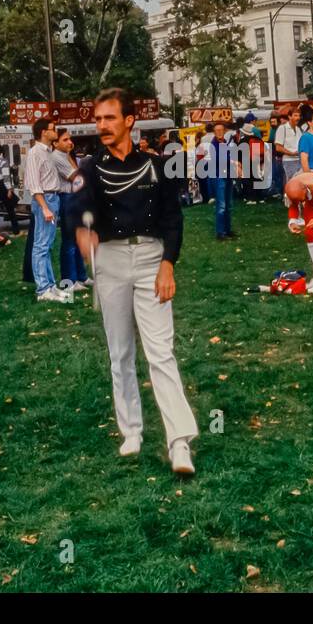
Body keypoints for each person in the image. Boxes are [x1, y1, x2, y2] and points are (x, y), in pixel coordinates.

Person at [73, 88, 199, 475]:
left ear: (129, 121)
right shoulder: (89, 169)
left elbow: (173, 220)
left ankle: (180, 441)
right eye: (98, 120)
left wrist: (168, 265)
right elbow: (80, 212)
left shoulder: (157, 166)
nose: (102, 126)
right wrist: (83, 233)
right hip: (110, 261)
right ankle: (131, 430)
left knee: (160, 351)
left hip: (150, 259)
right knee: (120, 352)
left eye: (109, 118)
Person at [23, 118, 70, 302]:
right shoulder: (35, 153)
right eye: (53, 129)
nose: (55, 132)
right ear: (44, 132)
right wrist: (44, 207)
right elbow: (34, 185)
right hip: (45, 200)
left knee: (47, 245)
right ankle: (43, 289)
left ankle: (50, 285)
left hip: (53, 198)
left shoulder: (48, 152)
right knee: (41, 246)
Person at [52, 128, 90, 287]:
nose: (70, 142)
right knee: (69, 240)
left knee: (76, 238)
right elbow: (77, 177)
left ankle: (81, 276)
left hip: (74, 197)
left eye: (69, 139)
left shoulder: (66, 156)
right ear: (55, 143)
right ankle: (70, 279)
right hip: (67, 197)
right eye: (65, 140)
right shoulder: (57, 157)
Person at [273, 107, 302, 186]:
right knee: (290, 183)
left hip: (300, 160)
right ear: (289, 116)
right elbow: (278, 147)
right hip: (289, 160)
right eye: (295, 115)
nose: (298, 118)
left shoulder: (298, 129)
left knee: (298, 183)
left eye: (299, 116)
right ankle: (286, 198)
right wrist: (291, 153)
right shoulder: (282, 128)